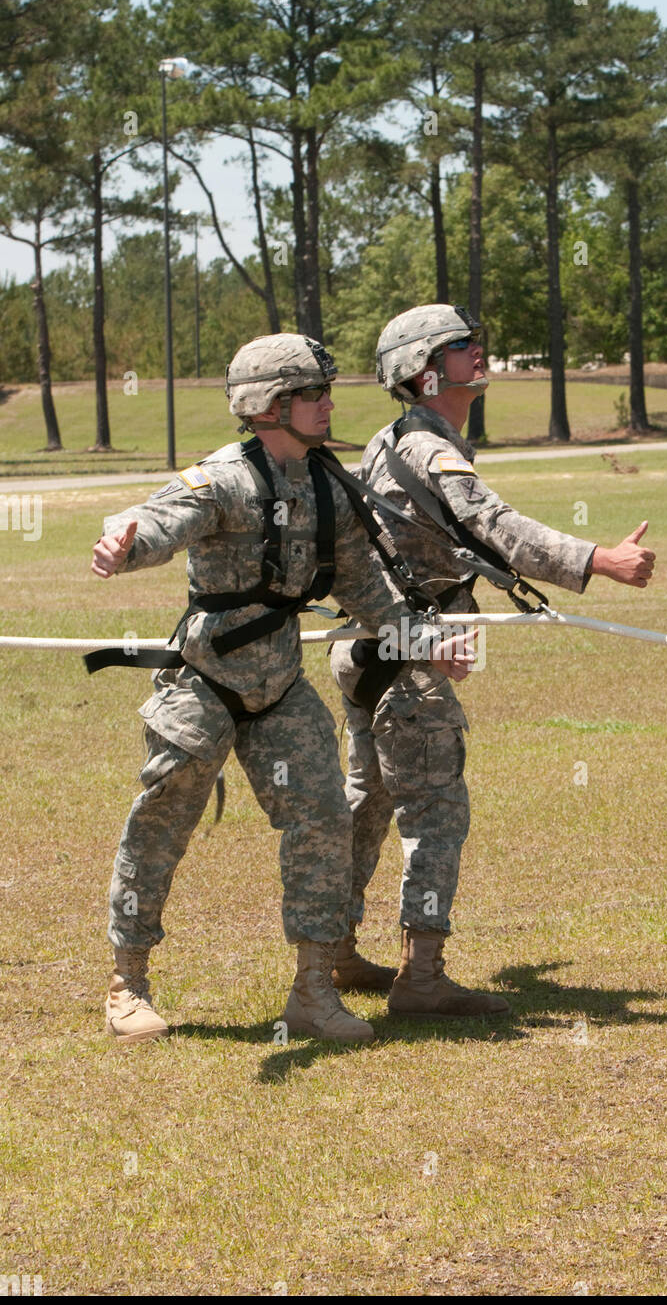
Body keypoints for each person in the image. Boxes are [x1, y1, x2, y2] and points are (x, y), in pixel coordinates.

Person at [90, 332, 472, 1046]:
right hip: (205, 685)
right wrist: (123, 542)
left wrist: (424, 644)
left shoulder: (329, 486)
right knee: (161, 820)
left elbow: (366, 588)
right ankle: (127, 985)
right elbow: (157, 519)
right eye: (311, 394)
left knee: (323, 821)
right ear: (267, 405)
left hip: (281, 690)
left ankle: (312, 992)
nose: (327, 404)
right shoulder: (224, 478)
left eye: (325, 392)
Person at [329, 304, 656, 1017]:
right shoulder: (429, 448)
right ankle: (420, 979)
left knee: (368, 803)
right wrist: (596, 559)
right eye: (459, 346)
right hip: (414, 660)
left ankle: (333, 950)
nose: (478, 352)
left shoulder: (393, 442)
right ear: (423, 371)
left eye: (475, 341)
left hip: (375, 648)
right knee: (435, 812)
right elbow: (494, 526)